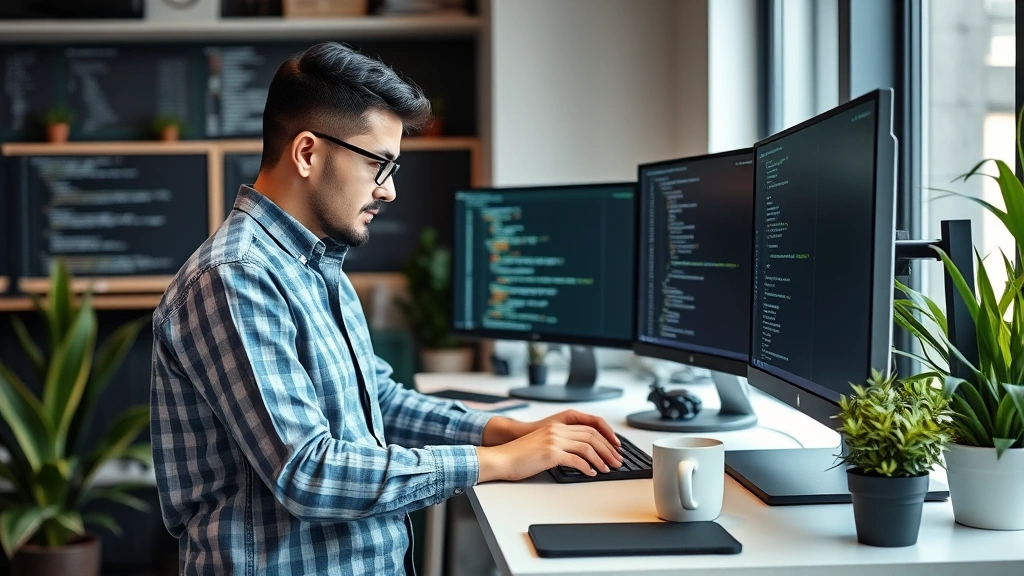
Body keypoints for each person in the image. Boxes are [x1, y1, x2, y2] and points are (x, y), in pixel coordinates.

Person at [150, 41, 623, 575]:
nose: (390, 190)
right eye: (380, 164)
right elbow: (308, 475)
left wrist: (503, 431)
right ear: (307, 153)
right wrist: (495, 463)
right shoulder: (236, 279)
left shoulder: (315, 265)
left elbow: (378, 402)